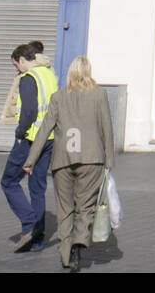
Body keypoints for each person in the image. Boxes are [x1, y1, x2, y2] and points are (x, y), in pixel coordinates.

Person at [24, 55, 114, 271]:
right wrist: (109, 159)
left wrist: (31, 160)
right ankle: (79, 241)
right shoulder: (99, 95)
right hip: (92, 160)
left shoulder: (58, 97)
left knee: (65, 208)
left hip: (62, 160)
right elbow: (107, 128)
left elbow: (45, 129)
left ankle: (66, 256)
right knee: (85, 206)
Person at [1, 42, 58, 253]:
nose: (17, 69)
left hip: (29, 139)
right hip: (49, 138)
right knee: (38, 188)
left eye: (16, 65)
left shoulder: (28, 78)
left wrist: (19, 134)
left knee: (8, 182)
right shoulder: (49, 75)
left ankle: (30, 224)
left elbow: (29, 112)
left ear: (23, 60)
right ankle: (37, 240)